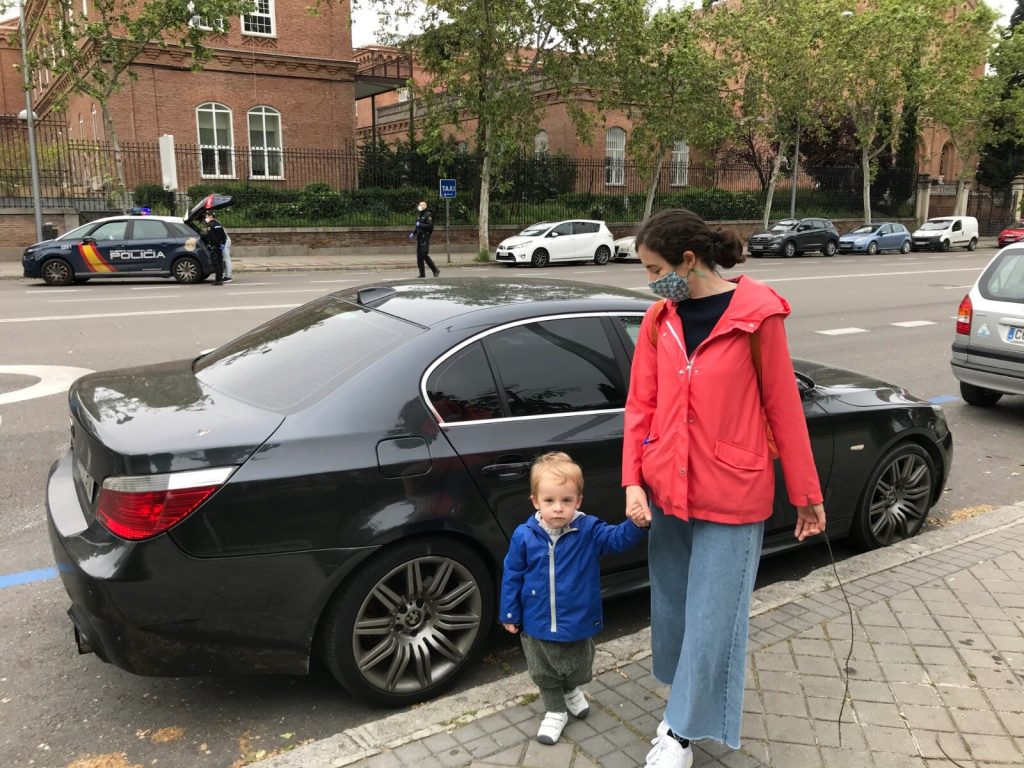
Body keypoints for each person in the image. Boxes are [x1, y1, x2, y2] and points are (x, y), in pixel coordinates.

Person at [622, 208, 826, 768]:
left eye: (653, 268)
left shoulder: (758, 316)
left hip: (733, 492)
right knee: (674, 607)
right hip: (668, 488)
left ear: (688, 261)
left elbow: (783, 406)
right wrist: (631, 482)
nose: (649, 280)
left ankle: (681, 732)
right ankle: (683, 703)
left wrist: (806, 494)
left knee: (715, 616)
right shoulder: (659, 317)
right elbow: (641, 404)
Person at [500, 451, 647, 746]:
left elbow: (617, 539)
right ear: (535, 502)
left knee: (577, 664)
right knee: (544, 670)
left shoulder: (588, 530)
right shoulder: (524, 535)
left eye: (566, 501)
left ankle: (571, 689)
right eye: (549, 501)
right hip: (536, 619)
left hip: (577, 617)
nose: (557, 509)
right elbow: (512, 574)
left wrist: (637, 525)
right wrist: (510, 613)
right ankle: (555, 711)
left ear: (578, 501)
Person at [410, 200, 439, 278]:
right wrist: (413, 233)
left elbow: (430, 226)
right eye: (419, 205)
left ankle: (435, 270)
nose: (420, 206)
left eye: (422, 205)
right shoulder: (419, 215)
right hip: (419, 237)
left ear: (425, 206)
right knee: (419, 257)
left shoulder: (428, 214)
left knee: (424, 255)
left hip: (425, 237)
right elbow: (417, 226)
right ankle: (422, 273)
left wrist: (420, 224)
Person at [202, 211, 227, 285]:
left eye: (206, 217)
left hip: (214, 247)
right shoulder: (219, 224)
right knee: (220, 262)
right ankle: (220, 279)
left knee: (216, 264)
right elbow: (224, 236)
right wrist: (222, 244)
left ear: (210, 217)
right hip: (220, 247)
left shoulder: (210, 225)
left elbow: (212, 238)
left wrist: (218, 244)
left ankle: (218, 280)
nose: (206, 218)